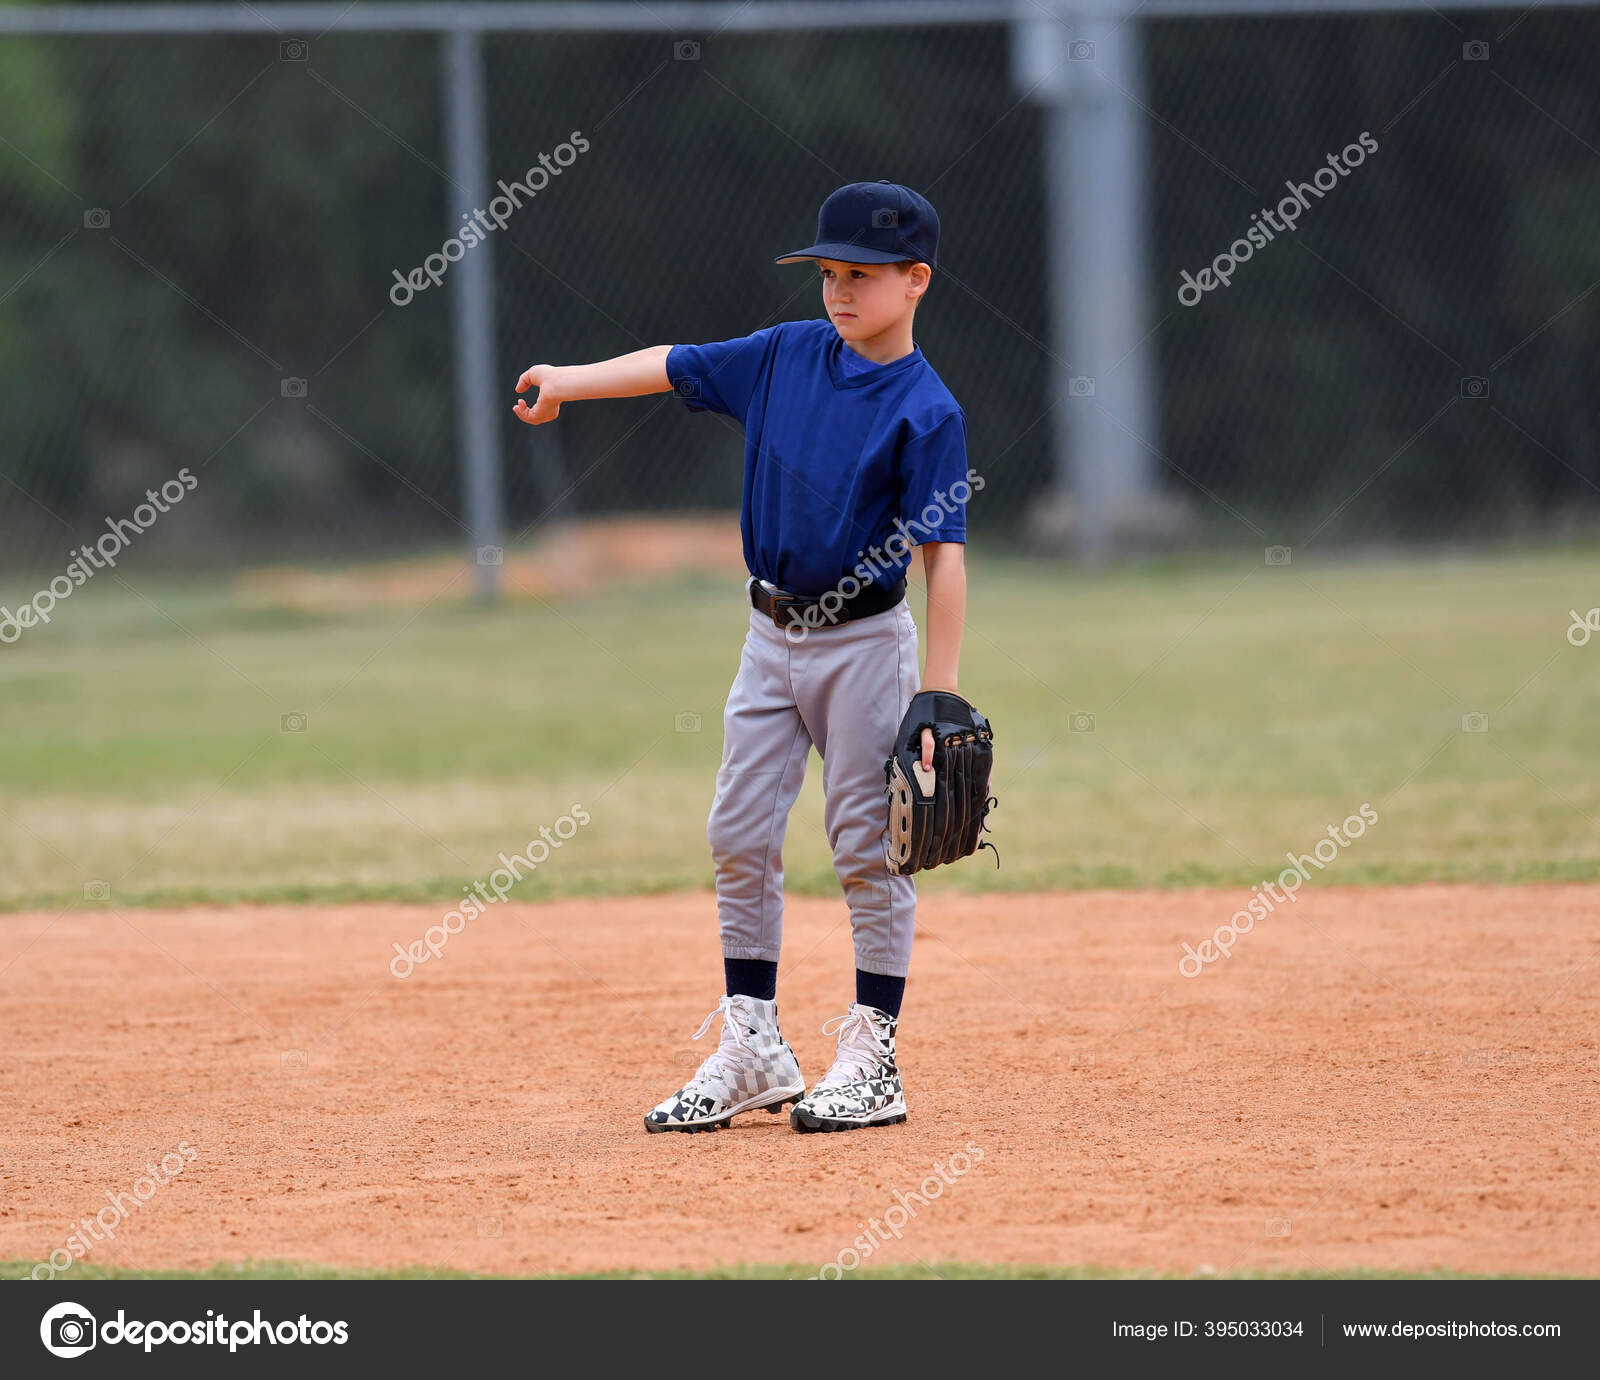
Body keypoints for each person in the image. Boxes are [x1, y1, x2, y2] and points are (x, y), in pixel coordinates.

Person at [513, 180, 973, 1133]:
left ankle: (872, 1056)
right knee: (738, 833)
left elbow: (946, 555)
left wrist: (940, 694)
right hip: (769, 639)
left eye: (862, 275)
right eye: (829, 274)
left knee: (870, 847)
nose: (839, 291)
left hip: (864, 647)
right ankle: (754, 1046)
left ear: (916, 280)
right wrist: (567, 378)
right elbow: (671, 365)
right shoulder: (782, 356)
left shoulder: (926, 409)